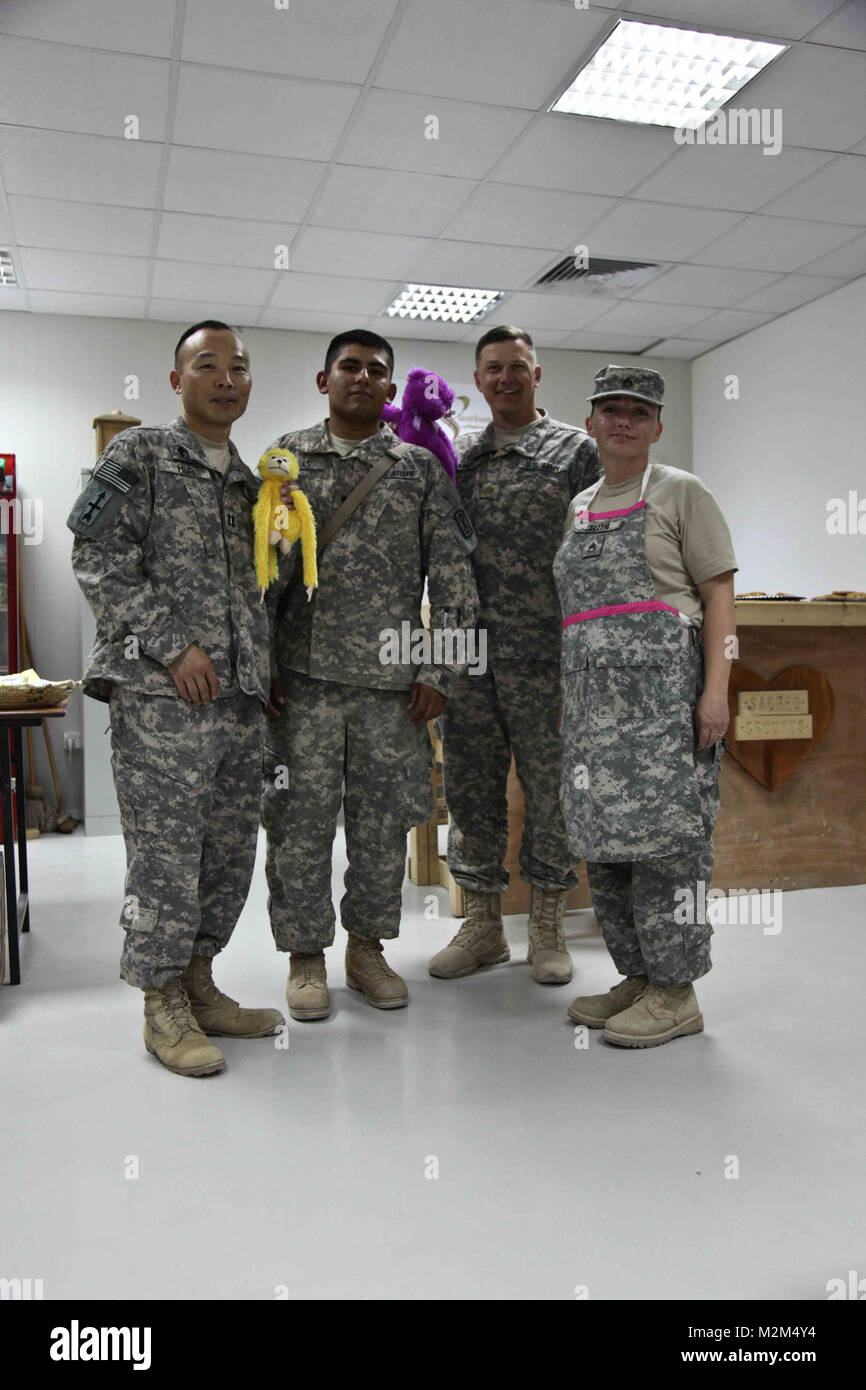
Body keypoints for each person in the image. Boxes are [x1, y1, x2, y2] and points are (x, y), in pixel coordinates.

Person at [68, 321, 284, 1078]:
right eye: (207, 365)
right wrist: (172, 643)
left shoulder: (255, 484)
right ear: (176, 380)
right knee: (164, 852)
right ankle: (161, 1000)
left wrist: (263, 667)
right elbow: (94, 552)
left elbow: (257, 591)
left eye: (239, 367)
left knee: (228, 851)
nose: (226, 379)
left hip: (238, 700)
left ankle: (199, 982)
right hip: (163, 696)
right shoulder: (137, 456)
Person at [263, 330, 479, 1019]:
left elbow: (453, 579)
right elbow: (255, 574)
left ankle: (366, 951)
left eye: (376, 371)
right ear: (323, 381)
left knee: (382, 825)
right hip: (302, 679)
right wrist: (258, 663)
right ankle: (305, 958)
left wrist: (440, 670)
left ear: (391, 390)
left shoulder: (418, 470)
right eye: (348, 367)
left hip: (393, 687)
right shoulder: (284, 461)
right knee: (300, 822)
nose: (362, 377)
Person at [554, 365, 737, 1047]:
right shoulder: (580, 505)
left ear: (657, 426)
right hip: (592, 710)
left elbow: (719, 596)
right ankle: (637, 975)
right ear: (592, 421)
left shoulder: (681, 493)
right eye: (611, 409)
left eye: (638, 412)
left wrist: (715, 692)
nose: (623, 421)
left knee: (669, 846)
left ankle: (676, 989)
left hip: (663, 707)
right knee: (605, 847)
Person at [429, 326, 601, 986]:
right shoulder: (461, 460)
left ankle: (548, 925)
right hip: (470, 658)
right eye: (493, 368)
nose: (505, 378)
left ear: (537, 374)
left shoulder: (574, 452)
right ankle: (481, 926)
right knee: (470, 790)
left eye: (517, 367)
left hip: (548, 658)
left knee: (552, 792)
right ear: (477, 380)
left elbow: (598, 548)